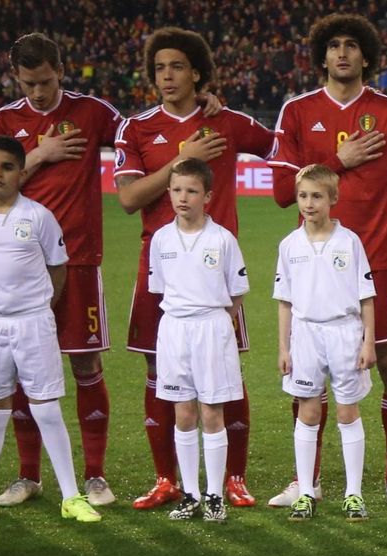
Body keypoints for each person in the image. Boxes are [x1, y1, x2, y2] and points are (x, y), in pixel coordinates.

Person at [265, 13, 387, 511]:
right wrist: (337, 161)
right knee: (307, 374)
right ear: (322, 56)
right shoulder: (298, 112)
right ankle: (308, 480)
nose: (342, 53)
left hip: (378, 259)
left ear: (366, 55)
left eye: (351, 45)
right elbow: (285, 192)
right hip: (313, 264)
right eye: (333, 46)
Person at [114, 28, 273, 511]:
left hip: (214, 272)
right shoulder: (136, 129)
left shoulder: (226, 122)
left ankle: (233, 479)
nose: (166, 75)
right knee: (156, 369)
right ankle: (168, 478)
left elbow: (280, 149)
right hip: (158, 265)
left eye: (177, 66)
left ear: (197, 73)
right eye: (160, 67)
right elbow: (127, 199)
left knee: (227, 371)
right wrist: (183, 160)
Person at [0, 33, 123, 509]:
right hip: (19, 264)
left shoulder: (93, 112)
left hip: (80, 259)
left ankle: (96, 476)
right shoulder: (5, 120)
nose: (37, 92)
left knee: (85, 363)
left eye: (45, 82)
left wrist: (200, 102)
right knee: (22, 371)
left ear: (60, 70)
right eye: (28, 83)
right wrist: (40, 154)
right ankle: (28, 476)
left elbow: (140, 136)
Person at [0, 137, 98, 526]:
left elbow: (58, 268)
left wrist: (36, 306)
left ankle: (71, 496)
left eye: (7, 167)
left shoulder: (38, 216)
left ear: (20, 172)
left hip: (33, 322)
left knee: (46, 407)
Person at [147, 158, 248, 523]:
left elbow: (235, 293)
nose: (182, 197)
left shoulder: (222, 239)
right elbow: (159, 288)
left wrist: (216, 322)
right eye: (176, 190)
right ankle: (189, 493)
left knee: (211, 412)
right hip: (174, 329)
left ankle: (215, 495)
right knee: (183, 413)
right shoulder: (161, 239)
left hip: (211, 327)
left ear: (207, 195)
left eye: (191, 190)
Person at [274, 164, 377, 521]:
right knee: (308, 411)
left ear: (333, 199)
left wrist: (368, 342)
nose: (308, 203)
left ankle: (353, 494)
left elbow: (366, 296)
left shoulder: (349, 242)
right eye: (303, 196)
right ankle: (305, 493)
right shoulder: (289, 245)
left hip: (344, 334)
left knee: (347, 412)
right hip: (305, 335)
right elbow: (284, 301)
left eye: (317, 196)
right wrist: (284, 347)